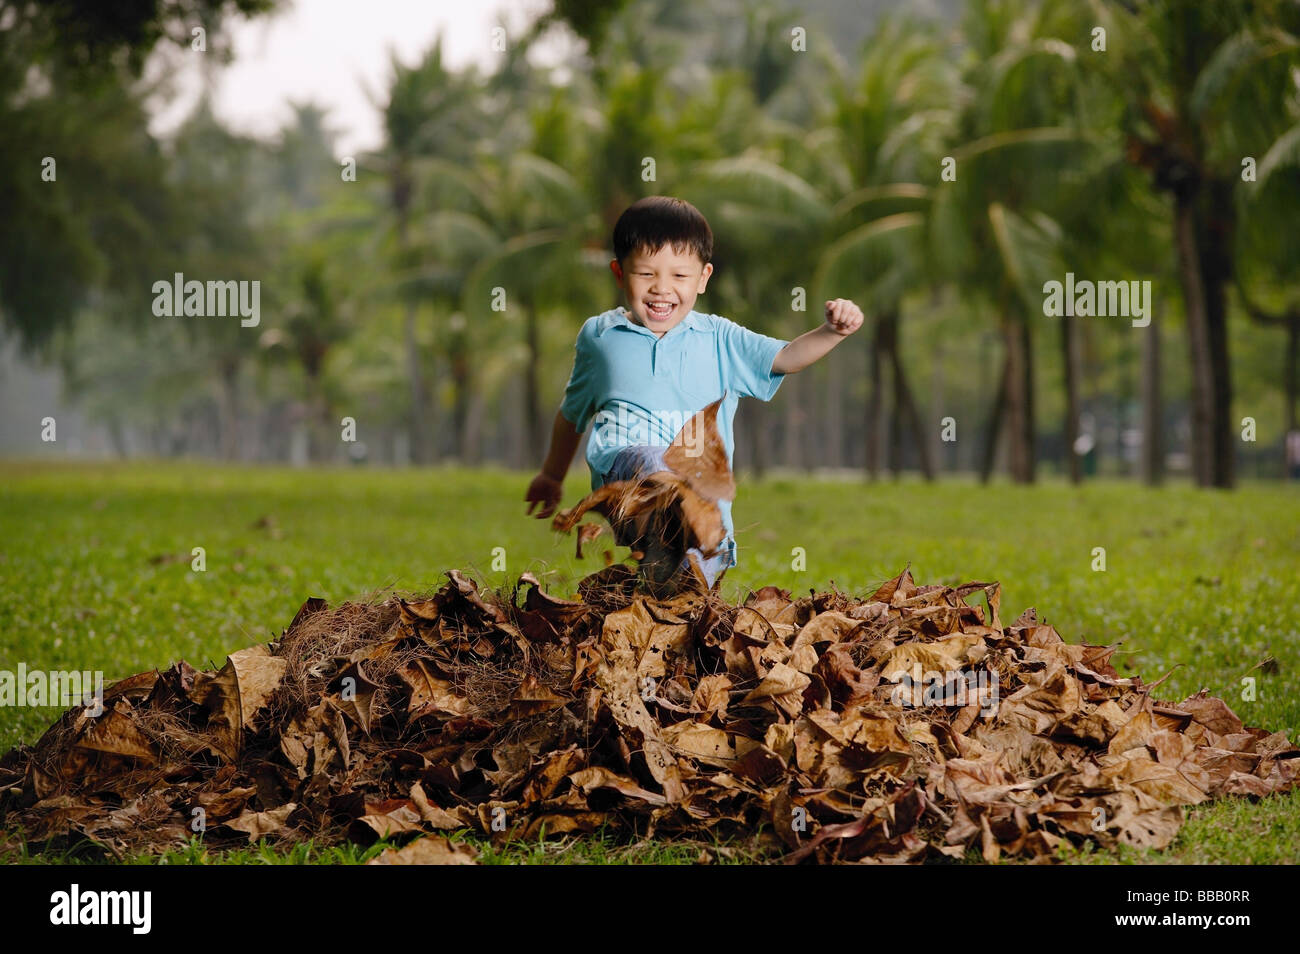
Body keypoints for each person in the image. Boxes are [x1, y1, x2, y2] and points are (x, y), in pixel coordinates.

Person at [525, 195, 863, 590]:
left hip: (704, 507)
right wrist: (551, 474)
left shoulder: (720, 338)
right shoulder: (600, 337)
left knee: (685, 592)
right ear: (619, 273)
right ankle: (666, 527)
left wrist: (832, 331)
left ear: (703, 277)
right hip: (628, 476)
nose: (661, 289)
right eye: (646, 274)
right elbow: (573, 413)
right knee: (653, 464)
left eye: (679, 277)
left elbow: (786, 357)